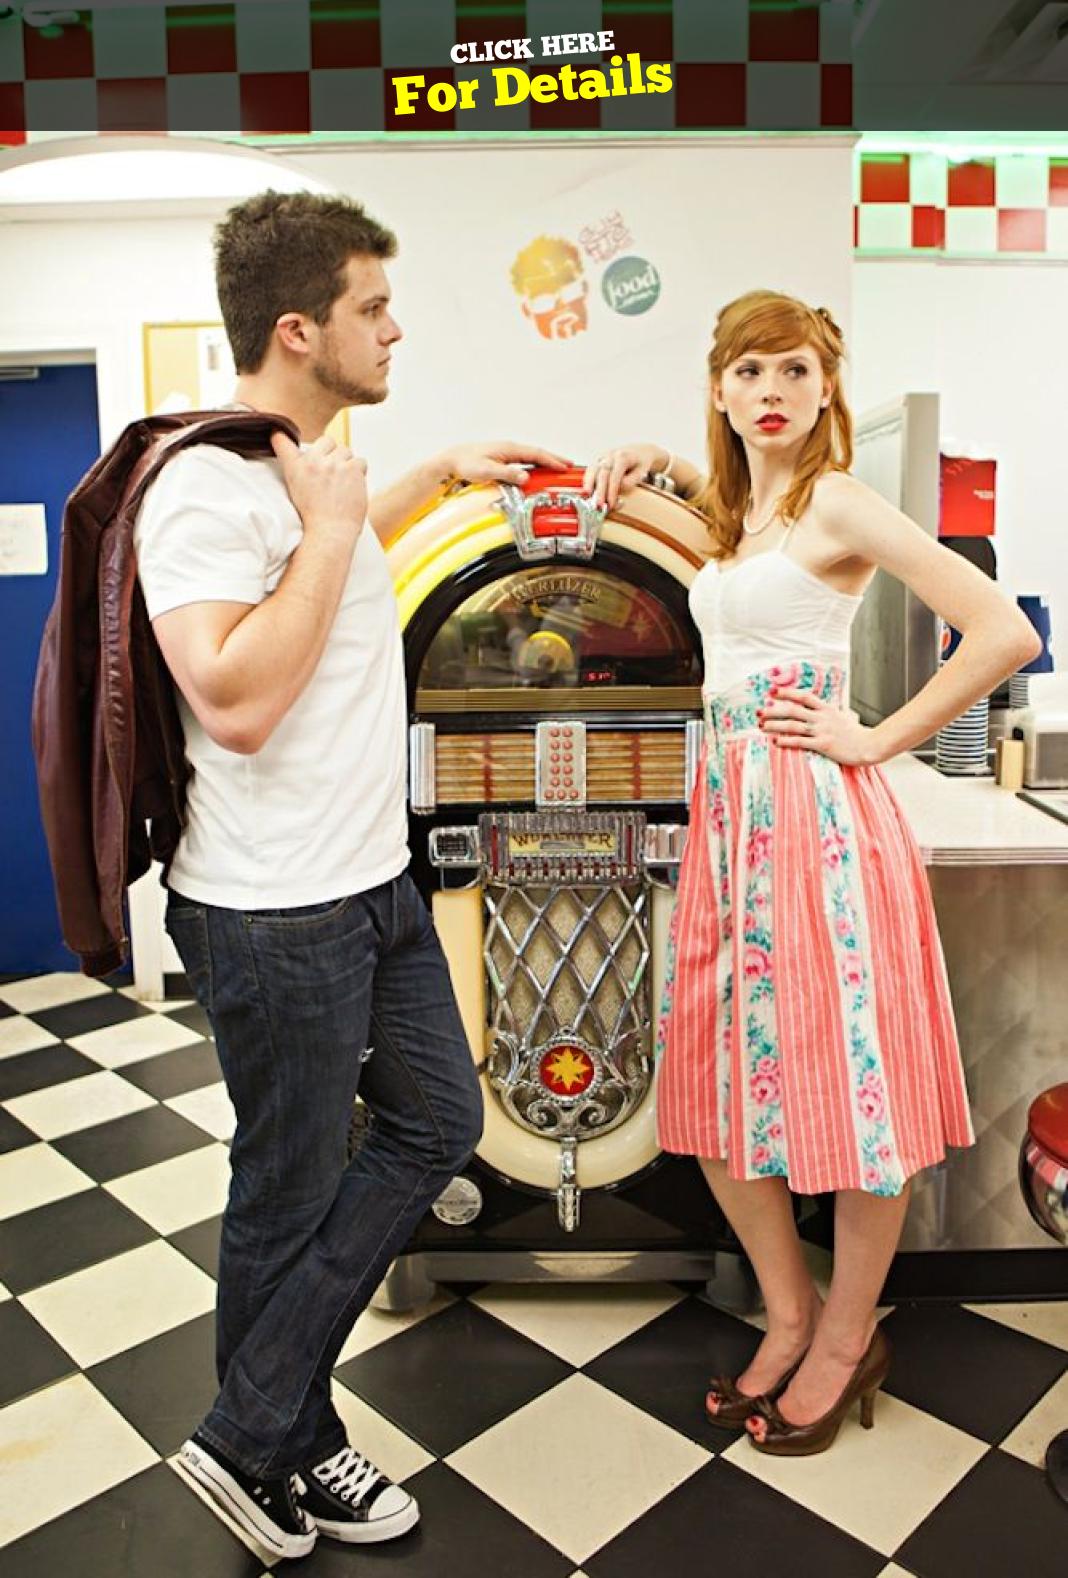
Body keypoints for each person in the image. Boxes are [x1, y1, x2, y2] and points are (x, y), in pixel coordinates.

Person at [133, 189, 569, 1558]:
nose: (396, 328)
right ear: (298, 327)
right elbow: (236, 694)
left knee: (439, 1124)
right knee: (286, 1184)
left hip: (367, 886)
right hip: (273, 912)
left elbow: (306, 592)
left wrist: (432, 472)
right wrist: (331, 526)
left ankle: (257, 1420)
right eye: (373, 308)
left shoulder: (307, 473)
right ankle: (279, 1444)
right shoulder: (203, 481)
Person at [584, 289, 1040, 1457]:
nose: (772, 392)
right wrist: (665, 473)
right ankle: (788, 1312)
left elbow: (1001, 630)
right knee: (728, 1097)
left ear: (825, 386)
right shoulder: (742, 513)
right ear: (721, 389)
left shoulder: (837, 498)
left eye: (793, 371)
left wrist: (875, 737)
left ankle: (845, 1333)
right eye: (750, 373)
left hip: (820, 824)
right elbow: (734, 573)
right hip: (733, 823)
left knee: (854, 1099)